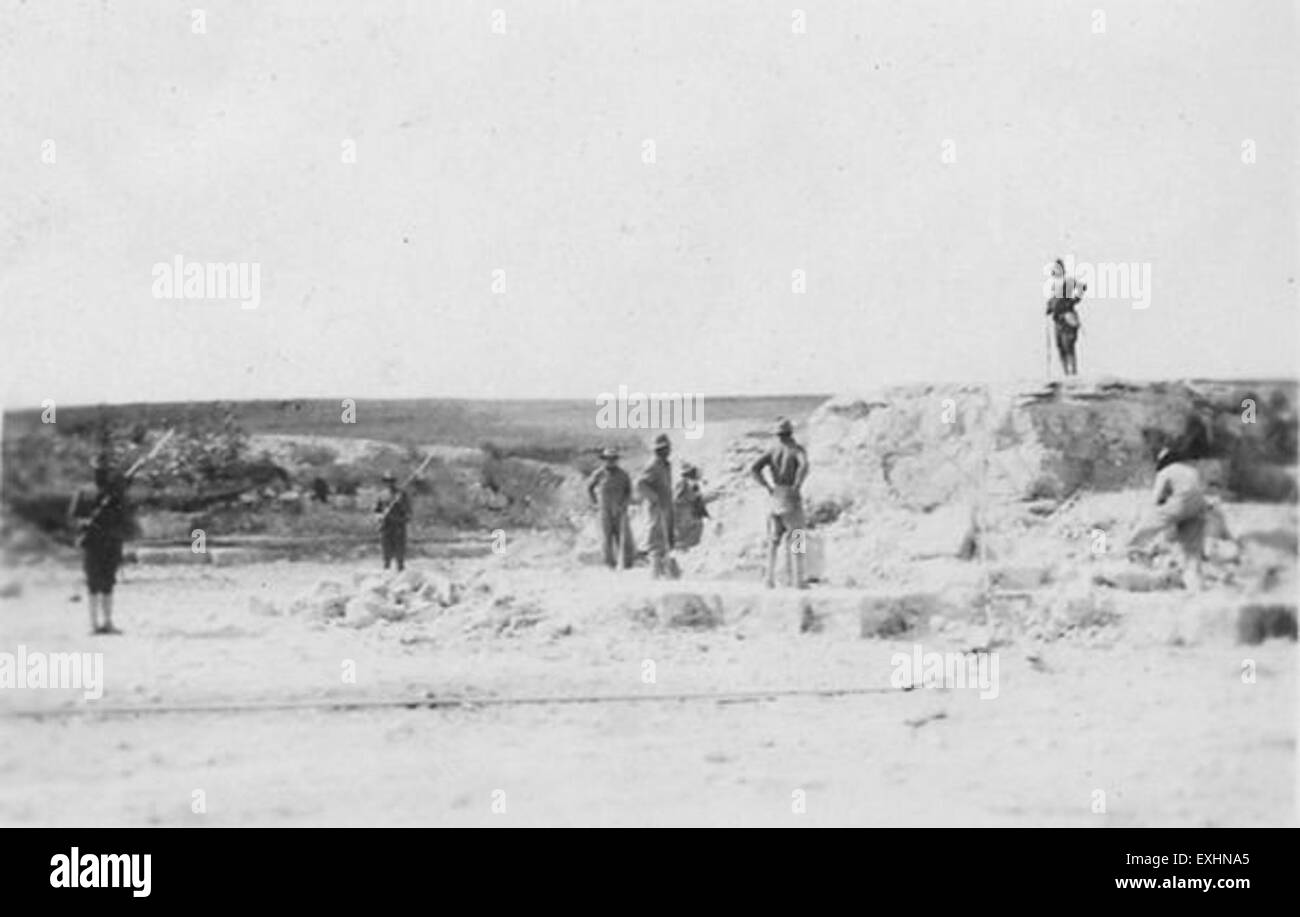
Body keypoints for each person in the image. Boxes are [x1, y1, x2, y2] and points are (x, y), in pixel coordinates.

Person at [1126, 447, 1214, 590]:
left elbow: (1155, 500)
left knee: (1143, 531)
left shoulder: (1166, 472)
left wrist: (1140, 518)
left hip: (1180, 504)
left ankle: (1131, 551)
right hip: (1199, 508)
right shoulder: (1192, 471)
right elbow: (1200, 492)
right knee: (1191, 556)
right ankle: (1196, 589)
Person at [67, 454, 131, 635]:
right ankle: (93, 623)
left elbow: (124, 516)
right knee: (93, 583)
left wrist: (116, 498)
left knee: (109, 582)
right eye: (99, 470)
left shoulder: (116, 493)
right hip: (92, 542)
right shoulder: (84, 491)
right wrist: (85, 522)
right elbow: (73, 517)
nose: (101, 473)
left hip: (111, 541)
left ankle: (108, 622)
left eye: (105, 470)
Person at [751, 418, 810, 589]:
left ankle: (768, 579)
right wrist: (798, 484)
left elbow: (754, 468)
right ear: (791, 433)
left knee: (773, 541)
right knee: (797, 537)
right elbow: (804, 465)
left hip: (775, 496)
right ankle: (798, 580)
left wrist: (767, 486)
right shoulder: (796, 450)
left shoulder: (773, 451)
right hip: (790, 496)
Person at [586, 447, 636, 570]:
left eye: (613, 459)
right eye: (608, 459)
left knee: (623, 537)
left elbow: (628, 491)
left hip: (619, 509)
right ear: (604, 460)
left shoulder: (623, 475)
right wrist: (594, 503)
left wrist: (625, 503)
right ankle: (609, 564)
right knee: (606, 538)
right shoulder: (599, 474)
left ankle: (626, 564)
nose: (610, 461)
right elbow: (589, 487)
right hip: (604, 510)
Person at [635, 434, 676, 579]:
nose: (666, 451)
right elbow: (640, 484)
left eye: (667, 448)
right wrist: (654, 499)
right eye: (662, 449)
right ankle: (654, 576)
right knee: (656, 544)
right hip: (657, 510)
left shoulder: (665, 465)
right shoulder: (654, 465)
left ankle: (664, 574)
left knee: (666, 542)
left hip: (666, 508)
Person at [1045, 258, 1087, 376]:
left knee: (1068, 345)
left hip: (1068, 318)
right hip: (1058, 320)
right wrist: (1049, 308)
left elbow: (1082, 287)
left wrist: (1073, 301)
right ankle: (1066, 373)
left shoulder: (1068, 281)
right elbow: (1053, 302)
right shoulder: (1054, 285)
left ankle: (1073, 372)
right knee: (1060, 347)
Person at [374, 471, 411, 572]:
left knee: (400, 552)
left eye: (391, 481)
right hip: (386, 526)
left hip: (398, 527)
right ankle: (386, 571)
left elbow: (408, 513)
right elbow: (377, 511)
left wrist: (400, 505)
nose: (389, 483)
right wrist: (380, 517)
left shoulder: (402, 494)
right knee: (386, 551)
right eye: (387, 481)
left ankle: (400, 570)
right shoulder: (381, 495)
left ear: (394, 482)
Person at [673, 462, 712, 551]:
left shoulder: (689, 484)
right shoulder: (685, 484)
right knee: (696, 527)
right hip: (683, 513)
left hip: (684, 513)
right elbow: (688, 499)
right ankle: (681, 546)